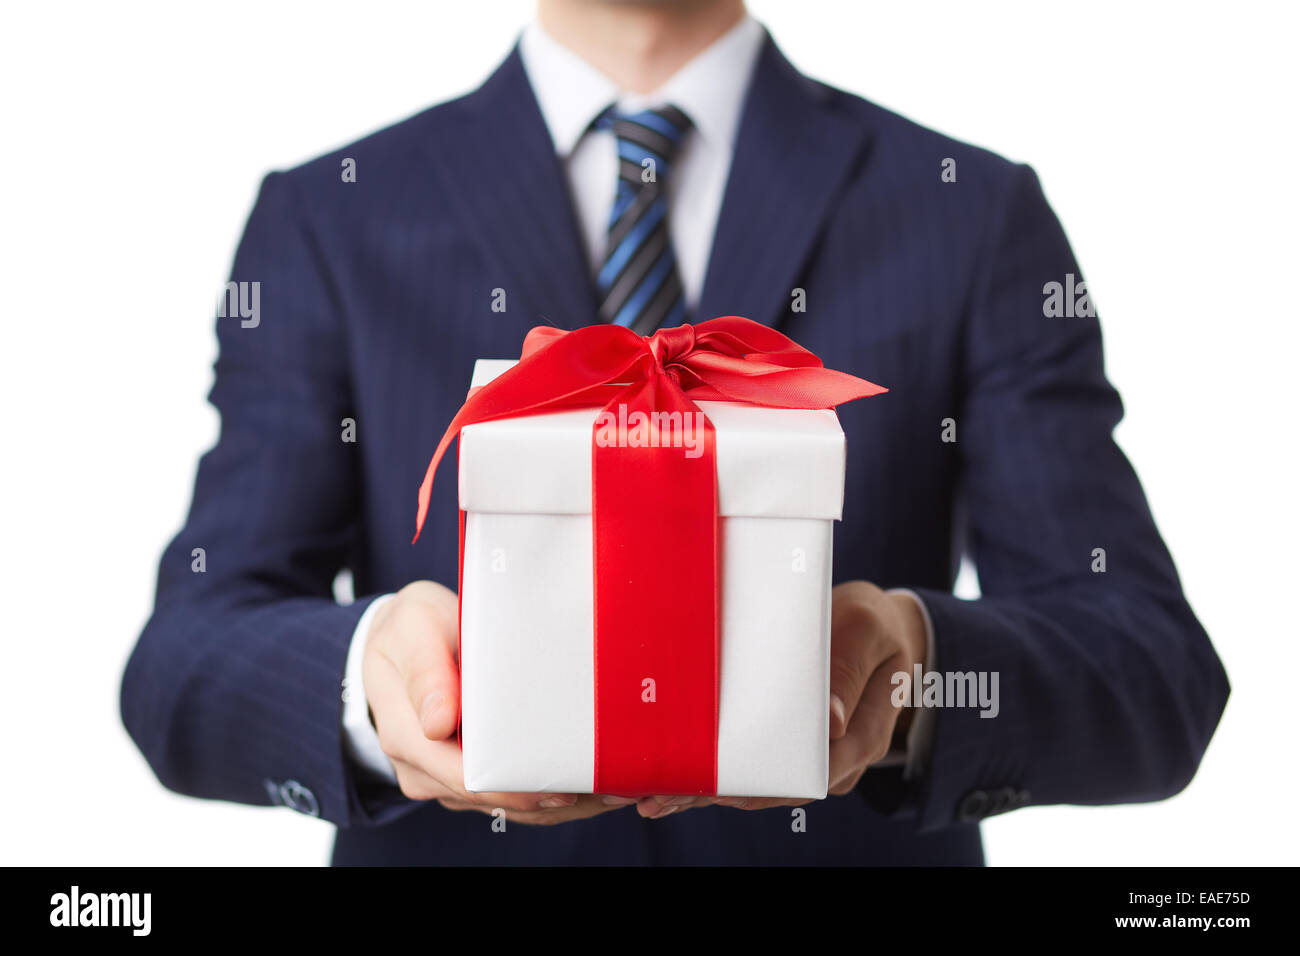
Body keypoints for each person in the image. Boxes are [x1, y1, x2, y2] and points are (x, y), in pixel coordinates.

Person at [121, 0, 1229, 865]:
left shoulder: (970, 213)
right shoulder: (329, 218)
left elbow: (1154, 672)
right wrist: (373, 684)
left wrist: (919, 676)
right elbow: (178, 668)